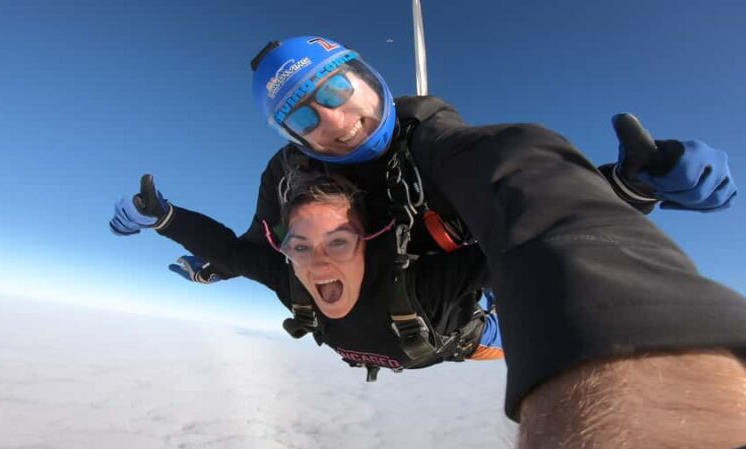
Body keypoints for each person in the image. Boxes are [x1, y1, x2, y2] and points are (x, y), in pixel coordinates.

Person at [111, 36, 746, 445]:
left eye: (336, 89)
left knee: (494, 284)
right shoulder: (288, 185)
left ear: (366, 77)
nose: (334, 118)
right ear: (290, 136)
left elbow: (527, 188)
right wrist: (192, 245)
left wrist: (628, 193)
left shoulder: (445, 148)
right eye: (303, 114)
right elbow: (261, 248)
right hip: (400, 315)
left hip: (459, 324)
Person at [115, 172, 504, 377]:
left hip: (472, 337)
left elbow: (534, 246)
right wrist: (165, 218)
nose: (317, 265)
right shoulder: (296, 285)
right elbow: (232, 254)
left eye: (337, 243)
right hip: (426, 341)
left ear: (366, 243)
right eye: (300, 247)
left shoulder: (427, 286)